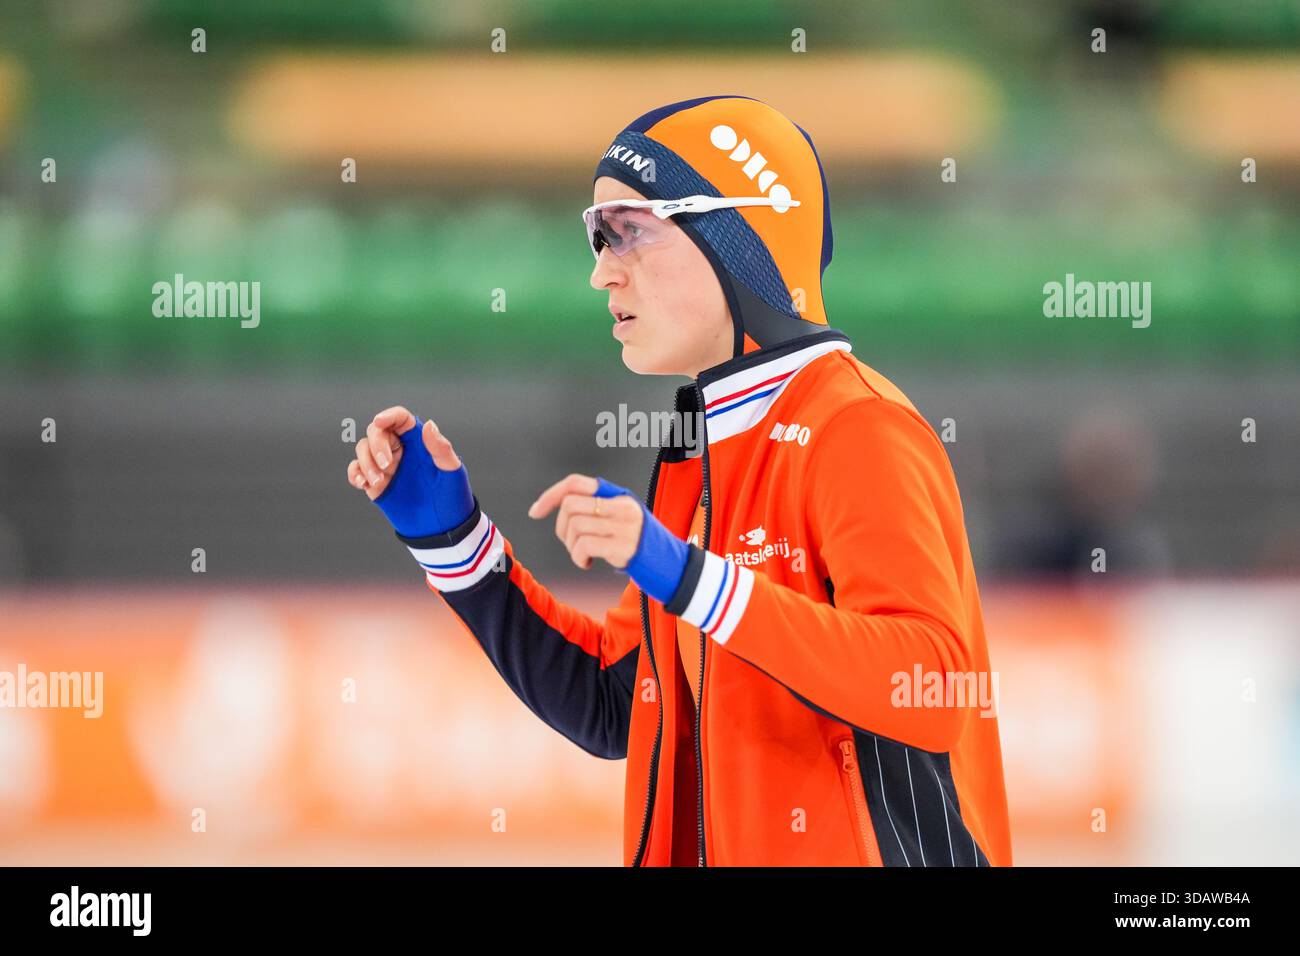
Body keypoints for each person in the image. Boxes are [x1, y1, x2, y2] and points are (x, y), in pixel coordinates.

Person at [347, 95, 1012, 867]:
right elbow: (616, 702)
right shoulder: (698, 448)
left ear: (740, 237)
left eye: (628, 230)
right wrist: (455, 545)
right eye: (597, 236)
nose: (601, 272)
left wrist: (692, 580)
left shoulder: (855, 425)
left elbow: (931, 685)